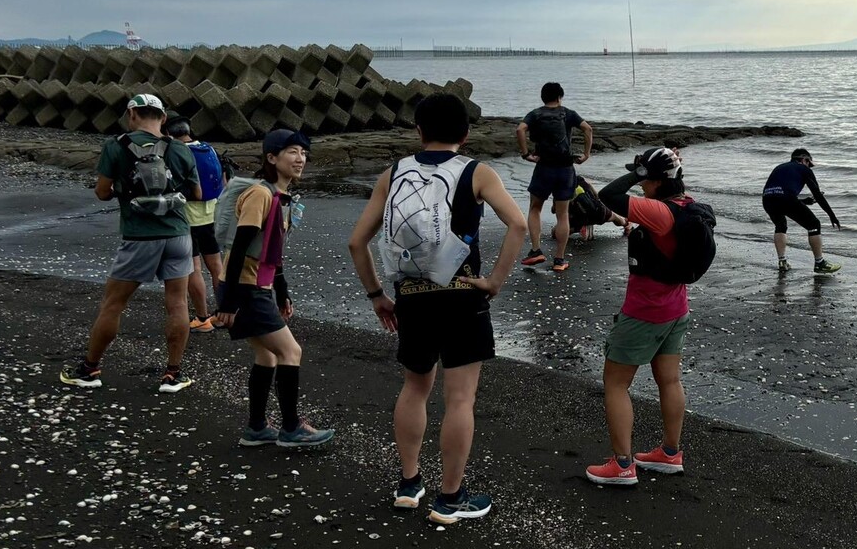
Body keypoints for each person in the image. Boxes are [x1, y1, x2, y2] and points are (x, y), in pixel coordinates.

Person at [347, 93, 527, 524]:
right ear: (466, 134)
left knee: (415, 388)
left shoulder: (393, 173)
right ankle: (450, 498)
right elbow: (518, 224)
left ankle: (409, 485)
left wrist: (377, 296)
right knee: (460, 398)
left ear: (418, 131)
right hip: (463, 293)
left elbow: (357, 242)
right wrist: (495, 282)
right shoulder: (477, 172)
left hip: (411, 295)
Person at [60, 94, 201, 393]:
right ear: (163, 118)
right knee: (177, 303)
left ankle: (89, 369)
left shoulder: (116, 146)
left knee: (113, 304)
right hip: (178, 234)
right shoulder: (180, 149)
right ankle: (172, 375)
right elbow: (197, 193)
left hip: (139, 236)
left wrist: (123, 192)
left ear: (132, 114)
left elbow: (101, 192)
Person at [586, 147, 698, 487]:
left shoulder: (658, 212)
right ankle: (669, 453)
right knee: (670, 380)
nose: (641, 187)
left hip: (645, 313)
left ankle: (622, 464)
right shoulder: (687, 204)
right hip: (676, 309)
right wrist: (659, 169)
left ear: (656, 180)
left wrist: (640, 172)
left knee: (616, 384)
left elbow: (607, 196)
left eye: (645, 180)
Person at [216, 129, 334, 448]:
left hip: (257, 287)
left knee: (267, 355)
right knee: (290, 351)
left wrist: (281, 292)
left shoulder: (281, 198)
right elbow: (239, 247)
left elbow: (272, 251)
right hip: (245, 288)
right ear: (272, 158)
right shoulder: (261, 194)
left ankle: (256, 428)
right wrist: (227, 302)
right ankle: (291, 428)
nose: (300, 159)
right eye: (292, 152)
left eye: (304, 153)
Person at [516, 82, 592, 273]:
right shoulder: (568, 113)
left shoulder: (535, 114)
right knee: (563, 215)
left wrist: (526, 154)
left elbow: (520, 130)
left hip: (544, 167)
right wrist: (586, 154)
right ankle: (559, 260)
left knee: (535, 208)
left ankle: (536, 251)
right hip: (565, 169)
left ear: (543, 97)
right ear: (560, 96)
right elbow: (588, 129)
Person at [166, 117, 224, 333]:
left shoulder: (177, 152)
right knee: (216, 266)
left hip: (188, 217)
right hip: (211, 214)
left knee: (194, 269)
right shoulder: (208, 148)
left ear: (169, 135)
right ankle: (223, 313)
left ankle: (202, 318)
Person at [761, 147, 842, 273]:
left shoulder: (780, 167)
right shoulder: (804, 169)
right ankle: (819, 263)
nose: (809, 167)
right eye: (809, 164)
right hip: (784, 199)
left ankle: (782, 262)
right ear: (805, 160)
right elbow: (818, 195)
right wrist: (832, 215)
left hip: (767, 199)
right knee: (814, 224)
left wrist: (804, 202)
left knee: (780, 225)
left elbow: (780, 193)